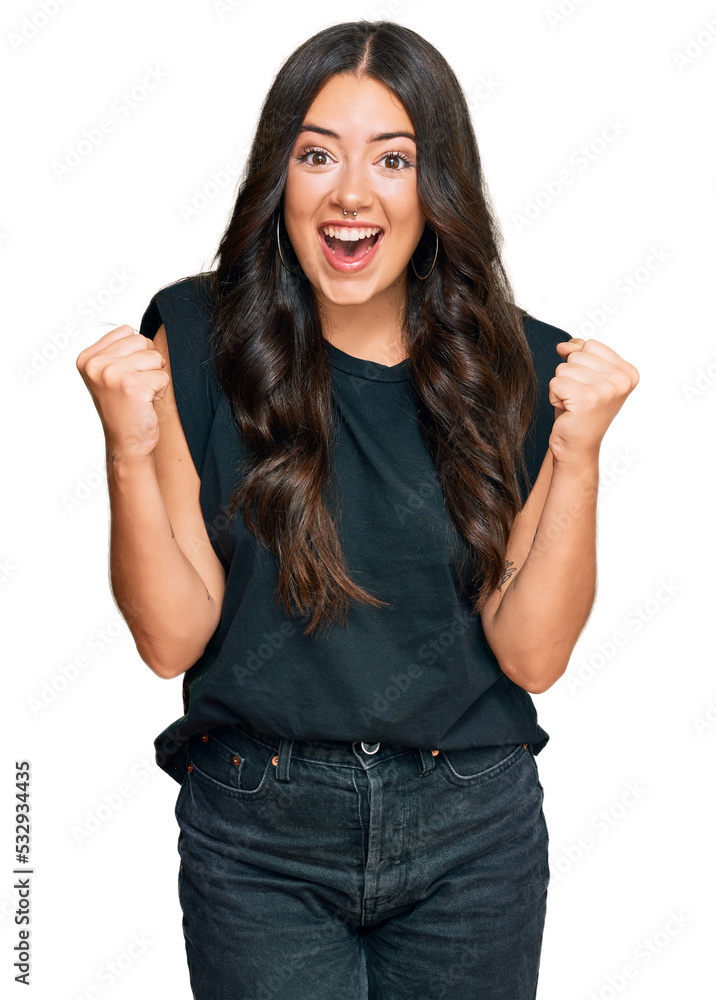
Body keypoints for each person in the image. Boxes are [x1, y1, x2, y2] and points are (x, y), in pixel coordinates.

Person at [76, 19, 639, 1000]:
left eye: (393, 159)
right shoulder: (198, 336)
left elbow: (533, 655)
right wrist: (127, 444)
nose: (349, 192)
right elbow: (172, 639)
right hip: (258, 829)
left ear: (438, 188)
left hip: (470, 825)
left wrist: (580, 451)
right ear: (278, 177)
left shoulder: (527, 370)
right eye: (315, 154)